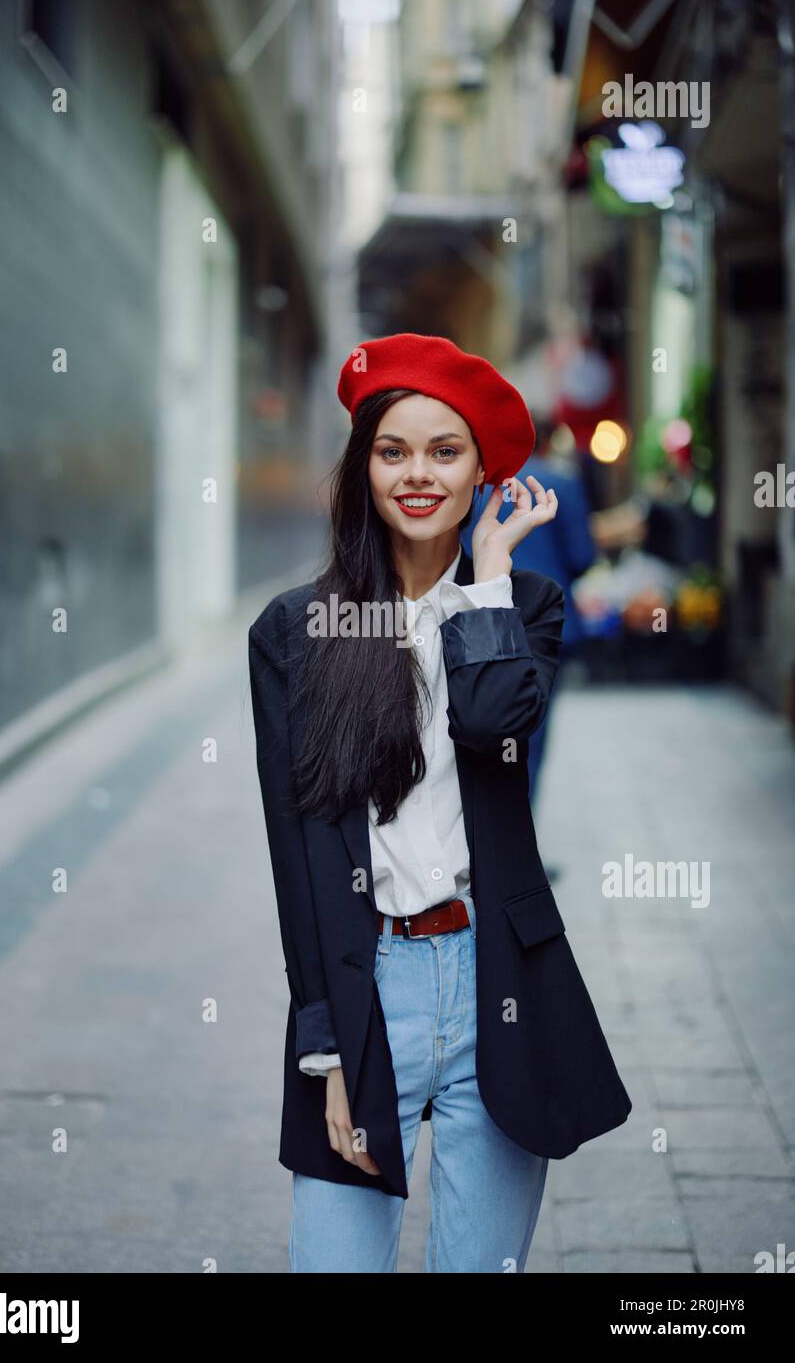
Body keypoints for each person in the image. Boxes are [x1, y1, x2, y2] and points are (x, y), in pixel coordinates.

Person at [248, 333, 632, 1274]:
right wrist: (326, 1048)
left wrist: (487, 577)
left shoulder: (523, 605)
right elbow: (295, 853)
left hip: (497, 977)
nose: (416, 475)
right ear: (363, 467)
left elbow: (496, 726)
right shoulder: (296, 632)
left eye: (443, 451)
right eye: (392, 451)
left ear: (481, 472)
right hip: (364, 983)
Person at [460, 420, 597, 806]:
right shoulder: (561, 483)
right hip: (543, 626)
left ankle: (484, 842)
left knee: (478, 731)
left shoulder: (476, 488)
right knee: (530, 737)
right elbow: (582, 555)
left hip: (477, 621)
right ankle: (520, 842)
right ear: (550, 440)